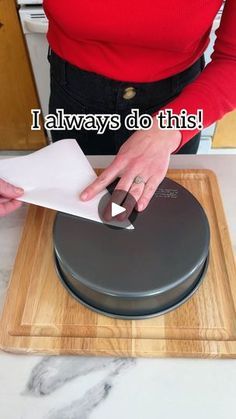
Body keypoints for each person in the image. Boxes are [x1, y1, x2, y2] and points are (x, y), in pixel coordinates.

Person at [1, 0, 236, 217]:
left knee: (158, 217)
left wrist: (170, 126)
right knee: (79, 213)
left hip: (179, 104)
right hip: (74, 93)